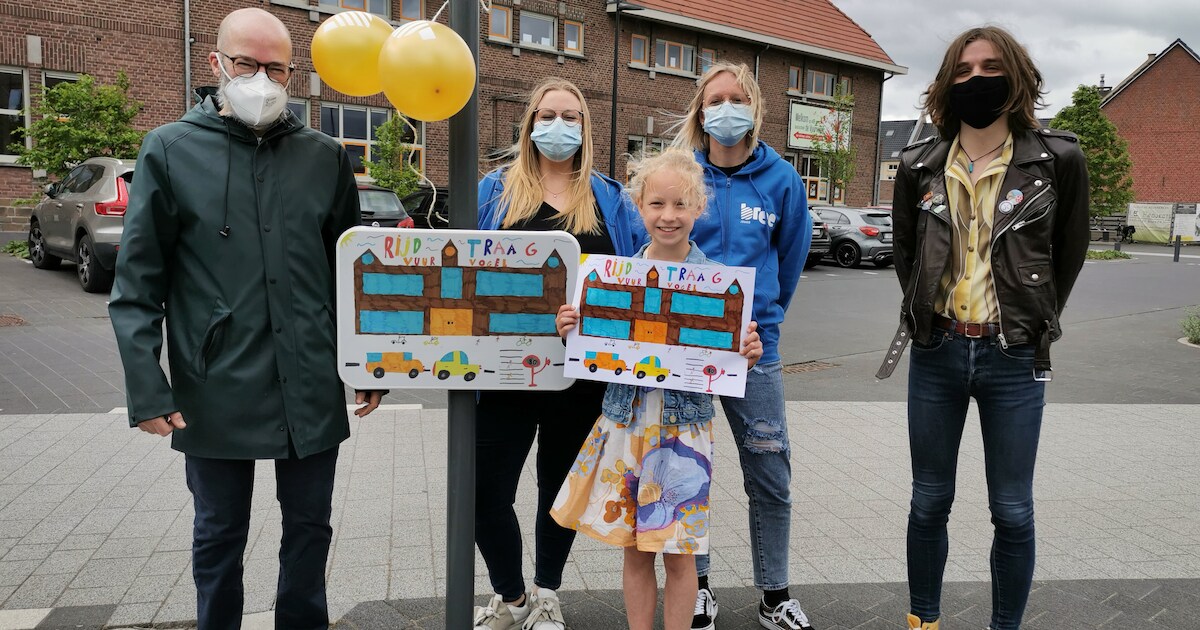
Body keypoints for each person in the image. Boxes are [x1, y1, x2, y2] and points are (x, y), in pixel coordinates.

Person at [108, 8, 384, 629]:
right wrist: (146, 388)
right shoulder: (171, 150)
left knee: (311, 530)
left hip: (309, 381)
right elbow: (137, 284)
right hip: (215, 381)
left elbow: (350, 274)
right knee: (218, 534)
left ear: (294, 73)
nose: (261, 78)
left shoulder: (324, 158)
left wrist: (367, 363)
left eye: (275, 67)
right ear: (216, 65)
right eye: (245, 64)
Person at [874, 26, 1089, 630]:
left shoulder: (1057, 160)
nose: (976, 80)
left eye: (990, 68)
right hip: (937, 351)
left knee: (1014, 510)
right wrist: (928, 322)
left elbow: (1066, 258)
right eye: (962, 71)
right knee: (927, 502)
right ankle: (925, 622)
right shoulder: (920, 165)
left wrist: (1031, 321)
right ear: (946, 84)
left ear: (1016, 76)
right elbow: (908, 259)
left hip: (1014, 359)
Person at [550, 148, 763, 630]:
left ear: (698, 209)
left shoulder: (718, 284)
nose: (669, 216)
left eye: (681, 205)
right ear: (639, 206)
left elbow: (734, 355)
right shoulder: (610, 280)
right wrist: (574, 330)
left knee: (679, 555)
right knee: (634, 549)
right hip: (627, 423)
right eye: (657, 205)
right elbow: (595, 351)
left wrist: (745, 349)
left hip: (683, 436)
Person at [472, 78, 643, 630]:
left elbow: (638, 278)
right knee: (483, 491)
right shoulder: (494, 191)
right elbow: (468, 276)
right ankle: (512, 597)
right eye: (548, 114)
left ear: (587, 128)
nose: (559, 126)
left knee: (559, 491)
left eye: (572, 116)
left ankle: (547, 594)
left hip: (581, 379)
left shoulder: (611, 199)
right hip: (505, 373)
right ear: (529, 123)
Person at [671, 62, 814, 630]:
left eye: (737, 98)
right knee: (687, 472)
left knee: (770, 472)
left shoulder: (781, 180)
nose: (726, 109)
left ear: (754, 107)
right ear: (700, 110)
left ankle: (774, 594)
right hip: (686, 353)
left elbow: (791, 260)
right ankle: (698, 588)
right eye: (716, 100)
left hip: (756, 355)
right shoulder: (683, 176)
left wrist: (763, 324)